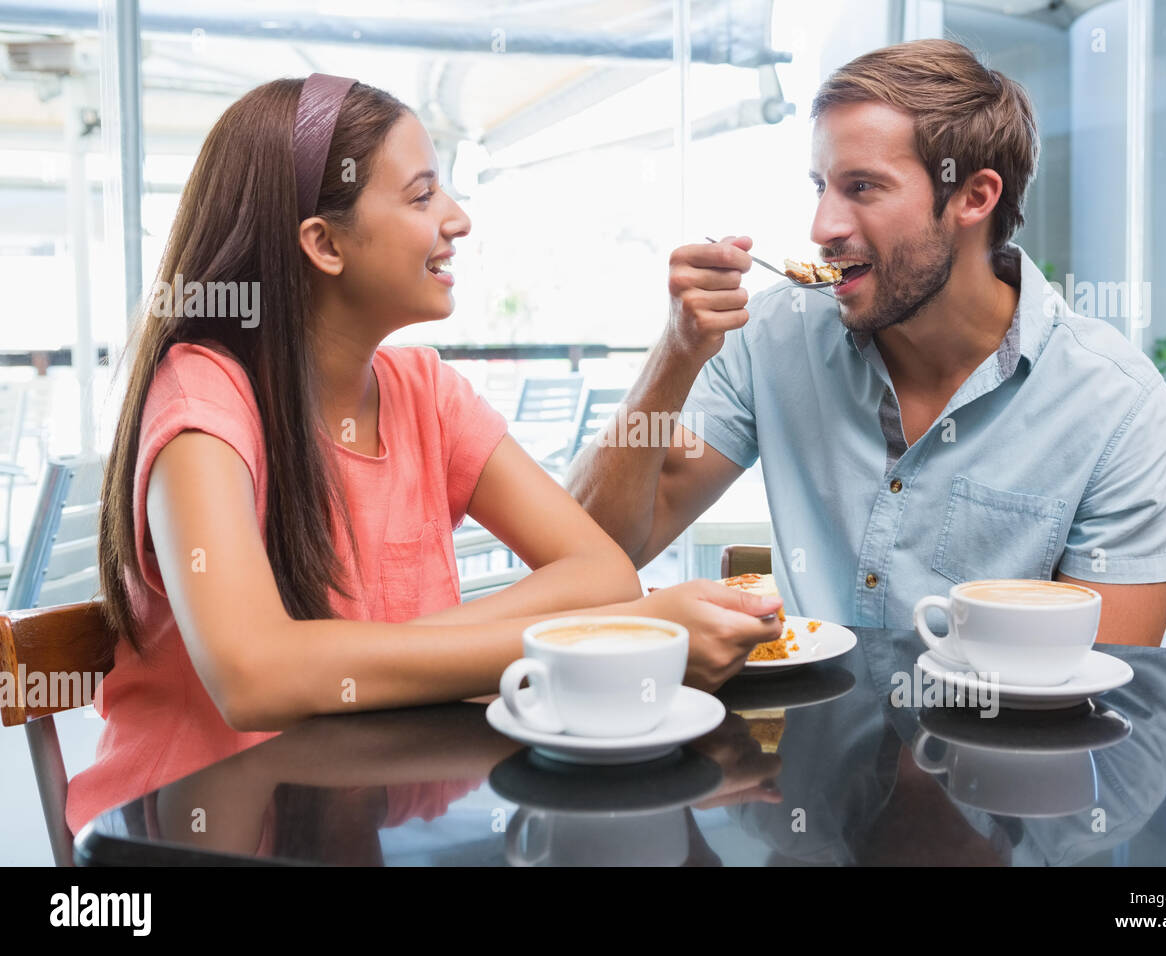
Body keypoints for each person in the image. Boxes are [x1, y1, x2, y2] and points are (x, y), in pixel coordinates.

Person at [67, 75, 782, 835]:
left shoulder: (424, 392)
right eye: (420, 197)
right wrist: (609, 638)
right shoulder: (203, 400)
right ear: (323, 243)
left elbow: (602, 574)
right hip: (189, 838)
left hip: (352, 818)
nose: (458, 219)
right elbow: (254, 676)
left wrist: (329, 658)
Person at [568, 39, 1166, 646]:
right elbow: (592, 553)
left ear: (974, 196)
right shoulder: (770, 335)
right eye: (822, 186)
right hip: (803, 735)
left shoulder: (1115, 406)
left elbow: (1111, 687)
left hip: (997, 744)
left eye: (862, 187)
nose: (822, 228)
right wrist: (676, 353)